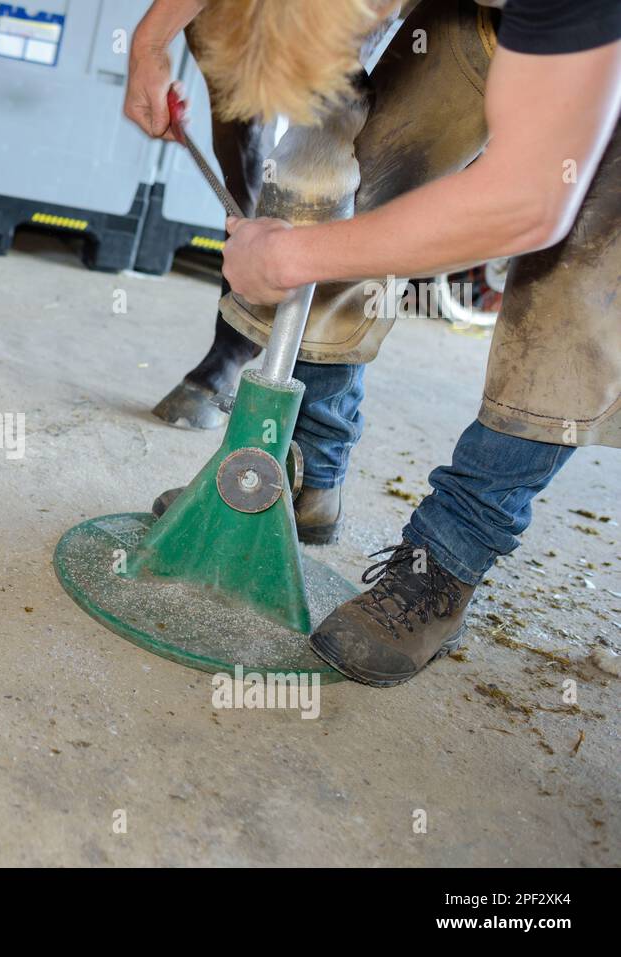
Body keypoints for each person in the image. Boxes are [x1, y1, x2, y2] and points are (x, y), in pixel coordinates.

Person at [124, 0, 621, 686]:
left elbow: (529, 202)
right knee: (346, 172)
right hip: (489, 18)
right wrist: (151, 41)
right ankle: (305, 471)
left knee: (574, 291)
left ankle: (448, 557)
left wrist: (296, 260)